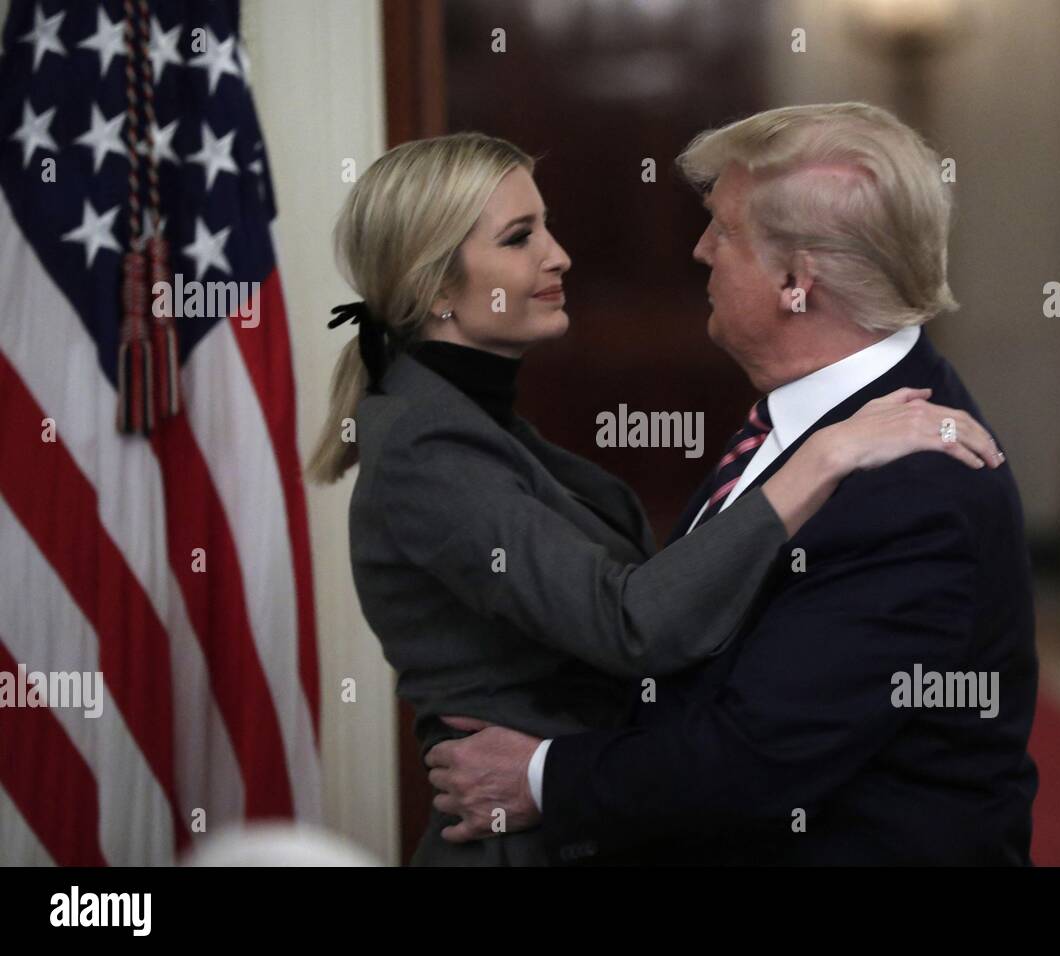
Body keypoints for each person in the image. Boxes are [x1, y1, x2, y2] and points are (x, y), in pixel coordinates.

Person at [307, 131, 1002, 866]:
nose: (558, 255)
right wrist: (822, 456)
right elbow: (631, 622)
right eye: (519, 238)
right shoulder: (429, 447)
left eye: (544, 225)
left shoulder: (470, 422)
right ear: (436, 288)